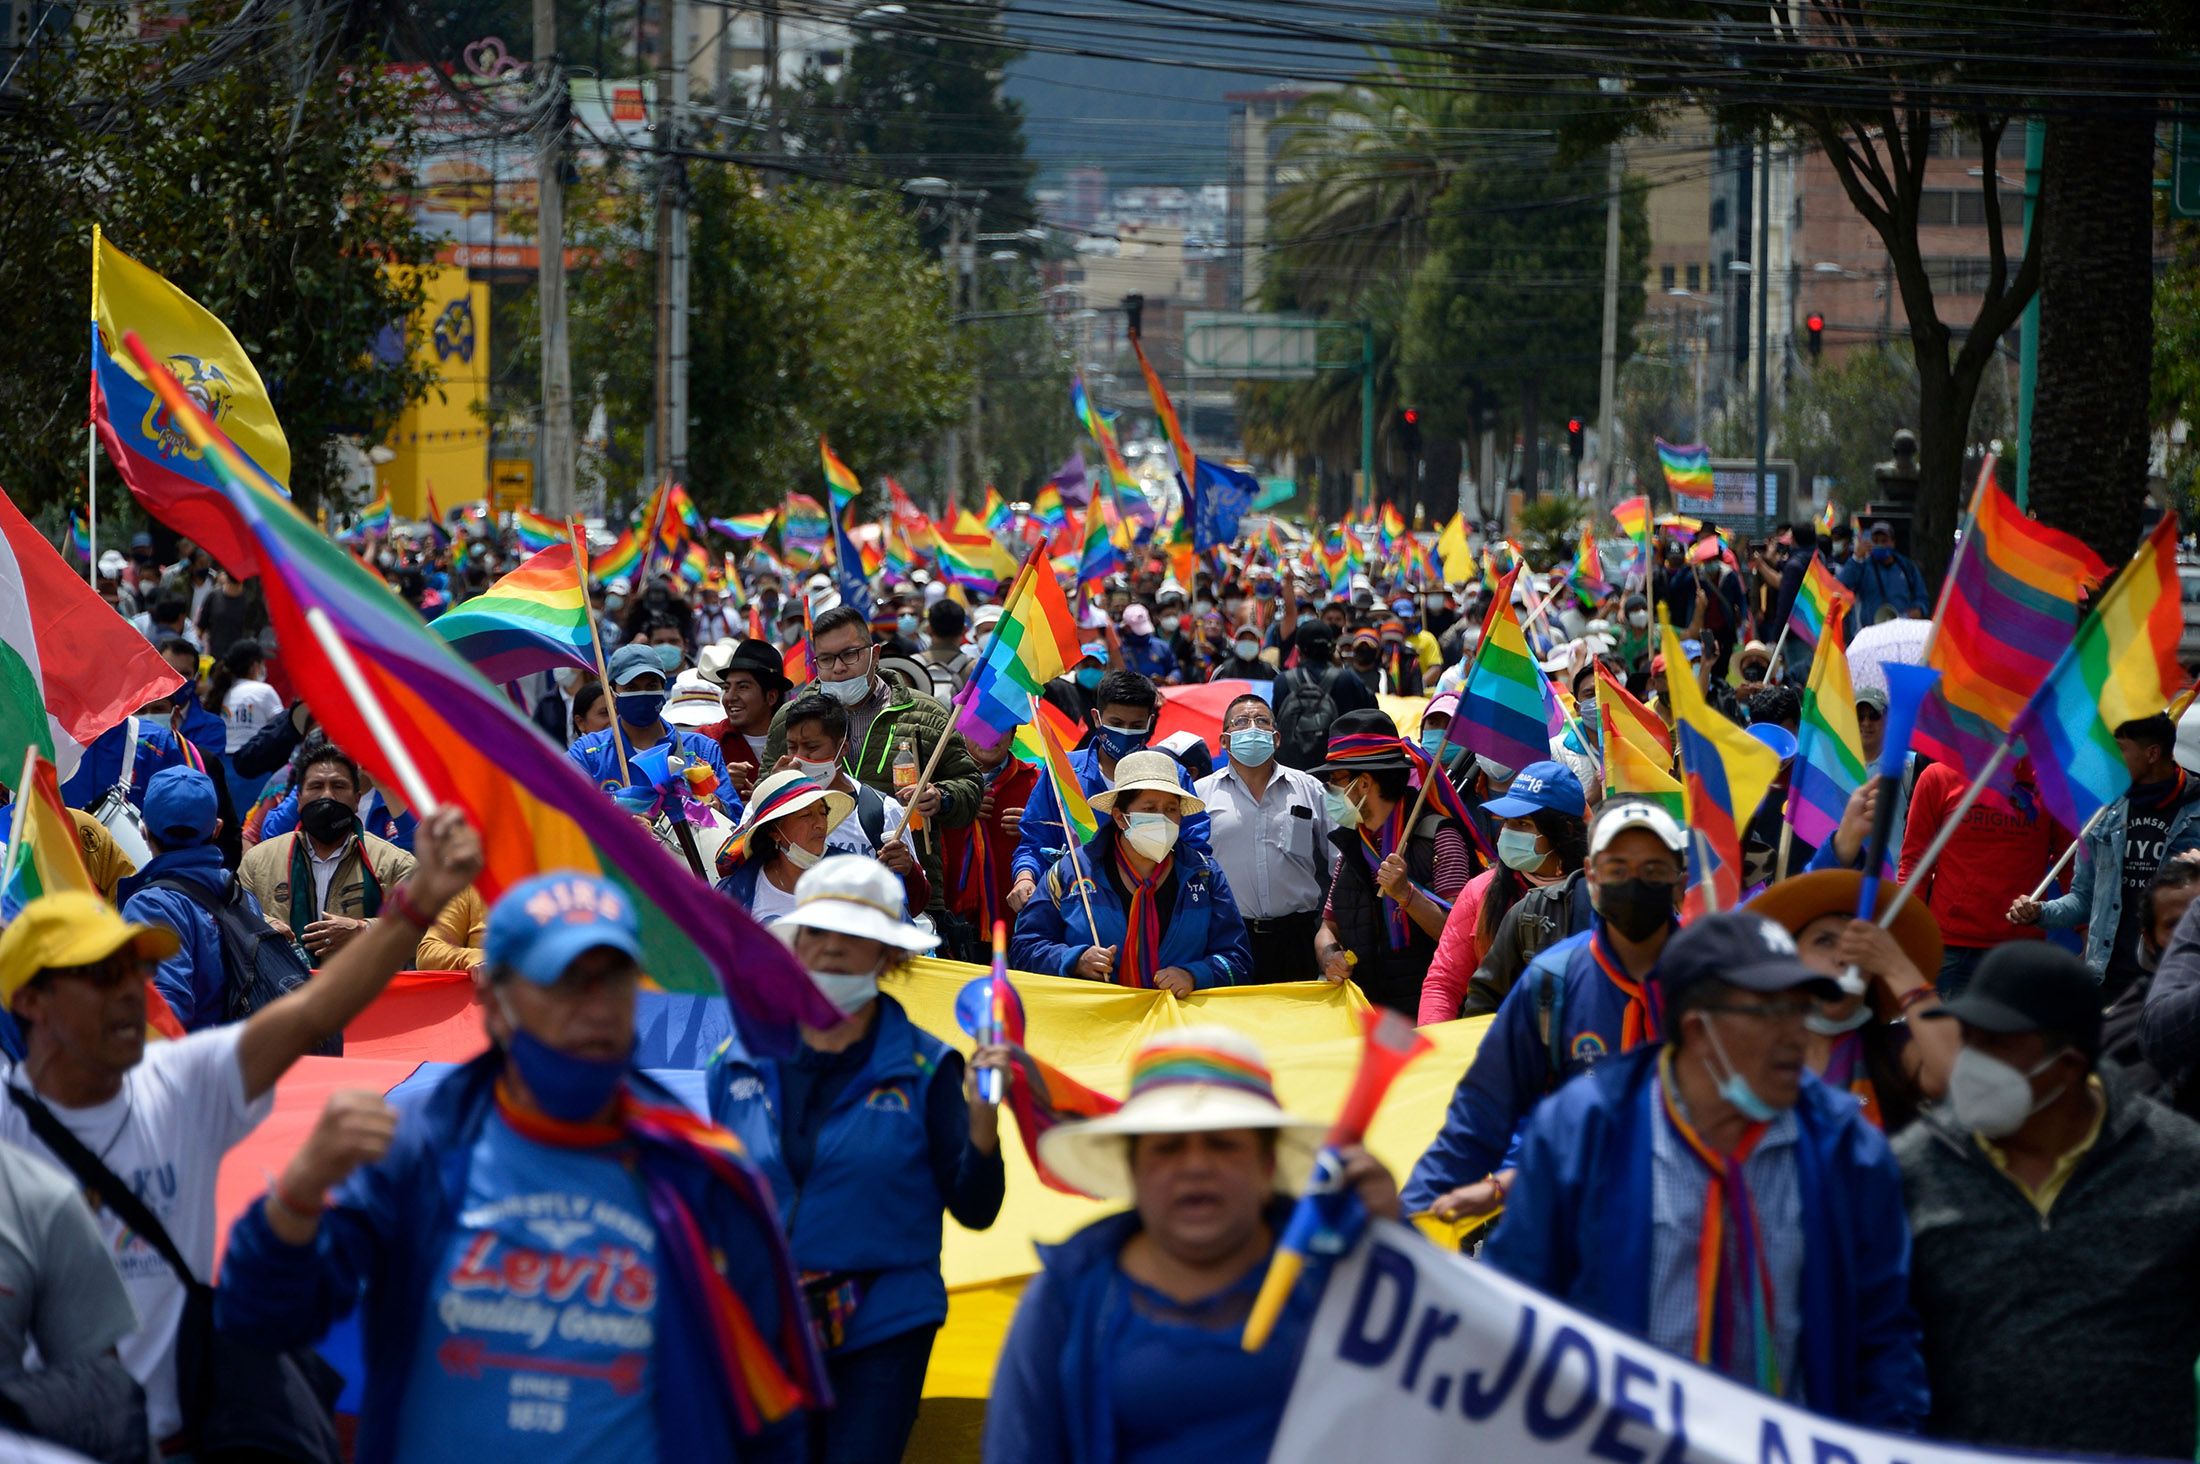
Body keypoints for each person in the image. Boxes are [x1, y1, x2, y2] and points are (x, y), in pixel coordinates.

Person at [214, 869, 819, 1464]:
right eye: (564, 980)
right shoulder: (414, 1150)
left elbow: (774, 1407)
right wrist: (297, 1197)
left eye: (615, 979)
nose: (596, 1006)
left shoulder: (701, 1171)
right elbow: (261, 1318)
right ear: (496, 1002)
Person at [1, 807, 480, 1455]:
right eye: (102, 975)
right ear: (29, 1001)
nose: (132, 993)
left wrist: (418, 903)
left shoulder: (183, 1085)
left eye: (138, 970)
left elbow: (317, 1007)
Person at [1484, 910, 1926, 1423]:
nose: (1797, 1034)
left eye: (1800, 1009)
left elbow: (1885, 1338)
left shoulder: (1847, 1146)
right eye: (1770, 1013)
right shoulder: (1582, 1131)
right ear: (1698, 1030)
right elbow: (1510, 1310)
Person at [984, 1026, 1399, 1463]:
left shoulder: (1345, 1271)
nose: (1196, 1166)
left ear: (1267, 1164)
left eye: (1223, 1144)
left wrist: (1394, 1242)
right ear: (1133, 1169)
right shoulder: (1065, 1299)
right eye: (1168, 1147)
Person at [709, 857, 1005, 1464]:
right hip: (760, 1321)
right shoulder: (735, 1062)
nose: (832, 948)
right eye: (817, 931)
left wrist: (983, 1122)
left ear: (888, 956)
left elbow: (976, 1210)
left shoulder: (929, 1070)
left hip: (884, 1326)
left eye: (854, 935)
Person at [1896, 941, 2200, 1456]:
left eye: (1996, 1044)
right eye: (1968, 1039)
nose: (1970, 1063)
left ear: (2069, 1064)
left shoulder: (2180, 1164)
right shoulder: (1913, 1168)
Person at [1403, 797, 1686, 1219]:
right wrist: (1411, 1209)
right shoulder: (1553, 977)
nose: (1633, 884)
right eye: (1617, 868)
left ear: (1680, 881)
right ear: (1591, 875)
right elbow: (1480, 1111)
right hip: (1561, 1212)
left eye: (1653, 870)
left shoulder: (1713, 983)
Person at [761, 605, 980, 922]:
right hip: (806, 898)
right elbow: (764, 800)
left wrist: (941, 798)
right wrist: (776, 787)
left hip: (906, 895)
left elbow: (970, 786)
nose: (838, 668)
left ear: (874, 655)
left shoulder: (924, 714)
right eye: (826, 659)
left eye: (850, 655)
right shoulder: (790, 718)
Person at [1012, 750, 1251, 994]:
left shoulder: (1205, 874)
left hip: (1179, 1016)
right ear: (1120, 817)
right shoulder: (1070, 871)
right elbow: (1024, 949)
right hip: (1097, 1013)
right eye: (1150, 809)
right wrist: (1074, 960)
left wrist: (1195, 975)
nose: (1163, 818)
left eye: (1171, 809)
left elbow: (1238, 959)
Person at [2008, 713, 2200, 1002]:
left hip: (2178, 981)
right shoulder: (2103, 810)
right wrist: (2040, 912)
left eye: (2120, 749)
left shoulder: (2195, 808)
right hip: (2108, 980)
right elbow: (2083, 899)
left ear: (2152, 753)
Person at [1749, 869, 1956, 1134]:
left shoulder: (1896, 1050)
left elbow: (1956, 1078)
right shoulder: (1750, 1048)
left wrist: (1896, 966)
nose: (1843, 958)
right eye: (1824, 941)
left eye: (1861, 949)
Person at [1313, 710, 1473, 1017]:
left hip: (1431, 1014)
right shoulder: (1352, 845)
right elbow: (1328, 928)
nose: (1328, 789)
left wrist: (1406, 894)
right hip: (1369, 1014)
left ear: (1363, 784)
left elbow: (1458, 937)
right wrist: (1329, 956)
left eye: (1334, 780)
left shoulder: (1439, 837)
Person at [1007, 670, 1209, 911]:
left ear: (1150, 723)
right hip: (1074, 909)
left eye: (1136, 726)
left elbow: (1194, 846)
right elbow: (1034, 842)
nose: (1125, 732)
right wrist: (1025, 877)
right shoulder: (1062, 772)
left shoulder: (1172, 775)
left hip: (1152, 909)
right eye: (1116, 723)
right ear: (1096, 717)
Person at [1421, 760, 1590, 1025]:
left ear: (1564, 831)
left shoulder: (1595, 894)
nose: (1509, 832)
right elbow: (1444, 983)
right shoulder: (1481, 891)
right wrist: (1436, 1043)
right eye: (1507, 822)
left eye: (1522, 823)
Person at [120, 765, 278, 1032]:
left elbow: (161, 1012)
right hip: (245, 1053)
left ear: (143, 830)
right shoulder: (242, 897)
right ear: (216, 829)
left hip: (188, 1057)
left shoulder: (150, 906)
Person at [237, 738, 417, 964]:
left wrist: (363, 930)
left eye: (339, 786)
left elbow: (422, 933)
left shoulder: (395, 863)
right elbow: (234, 920)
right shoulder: (257, 863)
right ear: (298, 800)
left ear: (357, 800)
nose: (327, 796)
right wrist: (265, 926)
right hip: (282, 985)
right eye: (316, 787)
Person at [1900, 755, 2064, 995]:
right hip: (1948, 948)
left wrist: (2086, 934)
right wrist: (1908, 934)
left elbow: (2069, 863)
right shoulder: (1937, 776)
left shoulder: (2052, 780)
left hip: (2021, 951)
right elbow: (1914, 864)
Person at [1194, 695, 1331, 983]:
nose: (1252, 728)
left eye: (1262, 721)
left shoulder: (1311, 789)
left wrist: (1332, 927)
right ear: (1224, 741)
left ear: (1276, 738)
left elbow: (1341, 860)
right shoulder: (1200, 795)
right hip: (1227, 939)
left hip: (1296, 937)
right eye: (1241, 722)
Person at [776, 693, 930, 914]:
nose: (799, 759)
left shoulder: (882, 810)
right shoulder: (769, 807)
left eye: (811, 747)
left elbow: (914, 906)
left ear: (843, 747)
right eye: (792, 747)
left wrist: (907, 869)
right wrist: (774, 797)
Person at [570, 642, 733, 799]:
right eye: (631, 688)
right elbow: (566, 805)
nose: (642, 694)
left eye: (651, 686)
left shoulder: (701, 750)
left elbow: (731, 811)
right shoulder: (588, 754)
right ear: (612, 694)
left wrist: (712, 804)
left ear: (663, 688)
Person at [940, 722, 1037, 961]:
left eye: (999, 727)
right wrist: (959, 804)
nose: (989, 735)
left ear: (1012, 736)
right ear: (962, 734)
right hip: (949, 917)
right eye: (979, 727)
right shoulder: (940, 784)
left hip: (1015, 922)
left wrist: (1035, 825)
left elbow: (1063, 839)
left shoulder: (1036, 782)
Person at [715, 771, 857, 924]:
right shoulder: (736, 895)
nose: (820, 824)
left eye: (823, 813)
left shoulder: (855, 876)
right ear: (774, 831)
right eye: (806, 815)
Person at [697, 639, 792, 799]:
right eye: (727, 688)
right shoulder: (706, 741)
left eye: (743, 687)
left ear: (771, 697)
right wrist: (718, 783)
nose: (730, 697)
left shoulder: (798, 740)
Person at [1272, 622, 1374, 769]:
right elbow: (1371, 711)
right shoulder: (1347, 678)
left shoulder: (1282, 680)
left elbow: (1278, 718)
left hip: (1293, 768)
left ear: (1298, 651)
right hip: (1337, 768)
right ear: (1332, 649)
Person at [1838, 521, 1929, 626]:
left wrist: (1919, 609)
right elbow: (1841, 587)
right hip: (1871, 630)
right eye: (1876, 541)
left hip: (1902, 628)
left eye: (1884, 541)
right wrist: (1856, 558)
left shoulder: (1907, 567)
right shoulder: (1863, 567)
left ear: (1893, 542)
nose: (1880, 545)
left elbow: (1922, 596)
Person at [1114, 604, 1177, 683]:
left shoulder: (1161, 647)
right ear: (1127, 627)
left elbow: (1175, 669)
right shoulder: (1118, 649)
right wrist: (1117, 630)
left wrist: (1173, 677)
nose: (1142, 635)